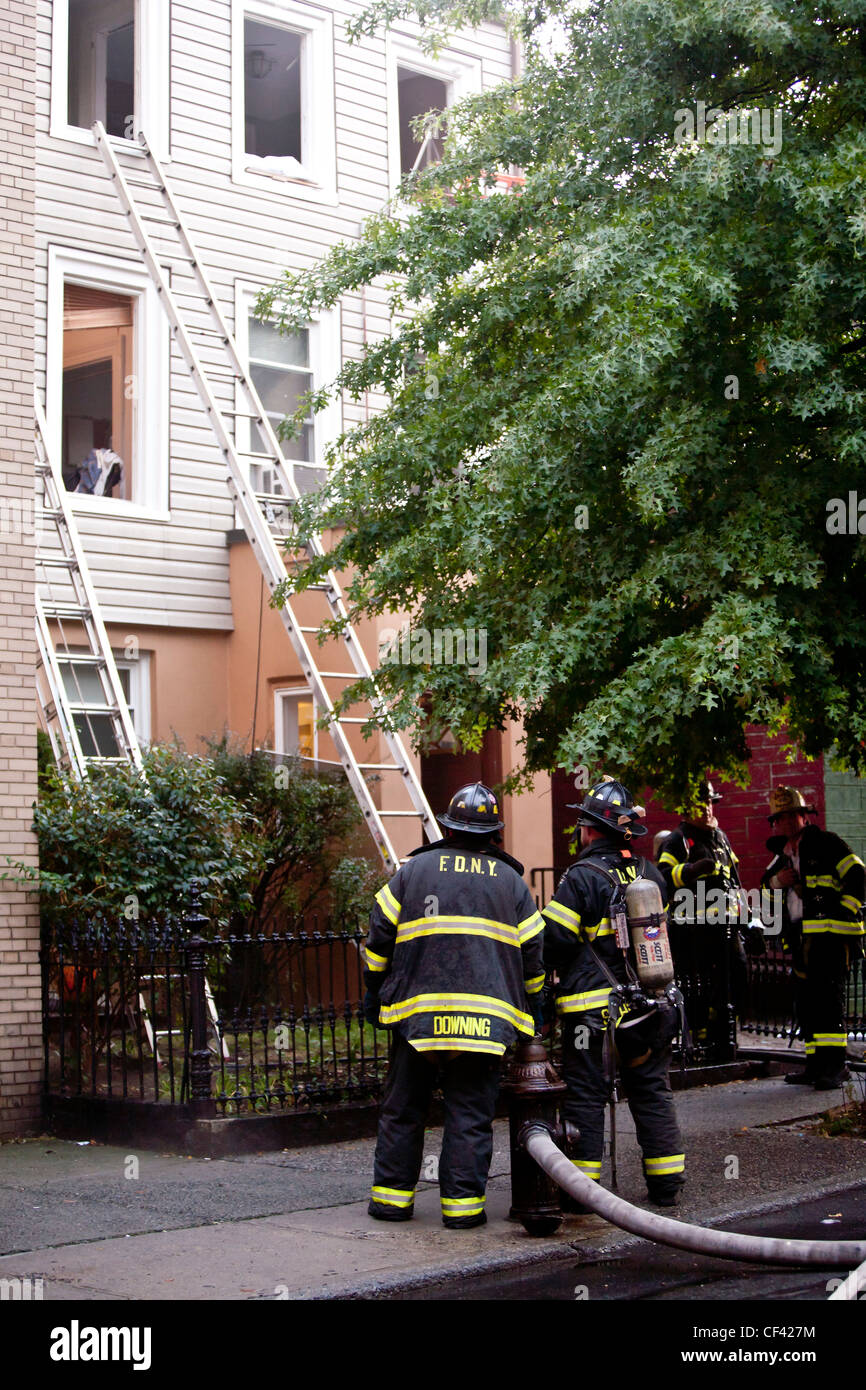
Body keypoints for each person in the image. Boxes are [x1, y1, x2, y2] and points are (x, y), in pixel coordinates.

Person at [363, 781, 545, 1228]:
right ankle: (462, 1210)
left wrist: (374, 990)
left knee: (403, 1109)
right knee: (469, 1115)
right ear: (494, 834)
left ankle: (391, 1202)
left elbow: (378, 937)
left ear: (446, 828)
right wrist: (534, 1009)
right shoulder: (511, 883)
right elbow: (533, 956)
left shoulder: (414, 871)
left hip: (416, 1018)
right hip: (484, 1024)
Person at [543, 777, 685, 1207]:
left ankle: (582, 1193)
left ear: (589, 830)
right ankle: (666, 1184)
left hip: (593, 1014)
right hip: (653, 1008)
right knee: (651, 1089)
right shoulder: (650, 873)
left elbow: (554, 942)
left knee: (586, 1095)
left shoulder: (582, 877)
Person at [760, 786, 864, 1089]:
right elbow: (765, 885)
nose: (787, 822)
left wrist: (845, 910)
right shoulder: (783, 855)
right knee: (807, 1005)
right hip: (802, 939)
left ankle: (836, 1067)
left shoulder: (827, 844)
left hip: (831, 938)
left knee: (828, 1002)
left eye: (792, 815)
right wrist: (778, 880)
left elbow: (858, 875)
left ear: (804, 816)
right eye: (781, 818)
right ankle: (815, 1066)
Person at [657, 779, 752, 1054]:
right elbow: (663, 877)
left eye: (709, 802)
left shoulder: (720, 837)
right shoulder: (677, 840)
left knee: (735, 975)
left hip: (726, 927)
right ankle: (702, 1039)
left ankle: (724, 1033)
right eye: (701, 804)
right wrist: (690, 870)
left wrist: (749, 921)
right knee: (701, 986)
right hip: (694, 930)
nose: (707, 809)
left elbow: (734, 880)